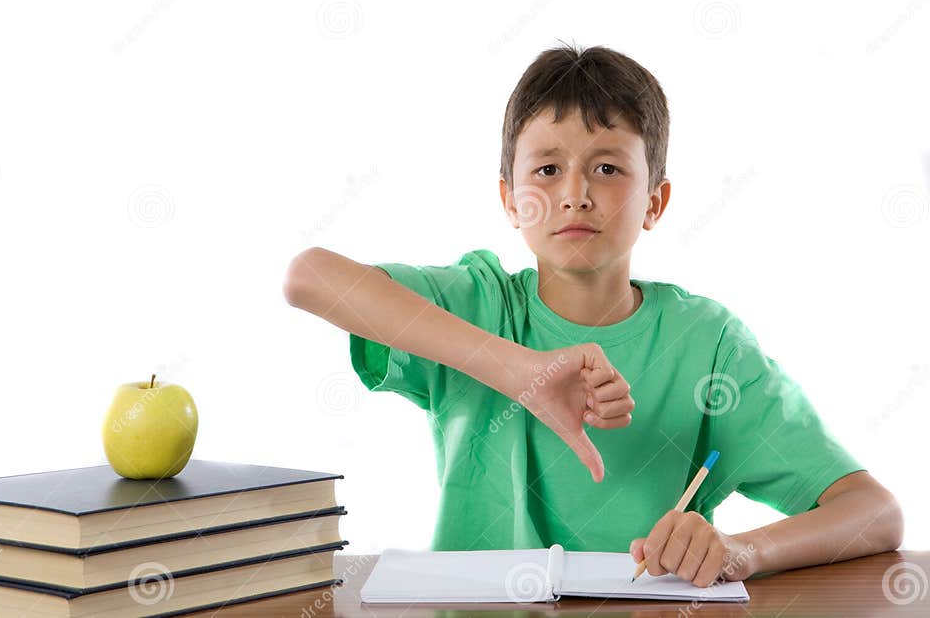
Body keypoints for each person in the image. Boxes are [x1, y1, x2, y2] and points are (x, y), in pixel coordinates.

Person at [283, 40, 903, 588]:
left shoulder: (707, 343)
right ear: (510, 198)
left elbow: (874, 512)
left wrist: (742, 551)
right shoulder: (476, 304)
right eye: (547, 169)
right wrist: (519, 370)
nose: (575, 192)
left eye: (607, 168)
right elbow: (307, 276)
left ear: (655, 201)